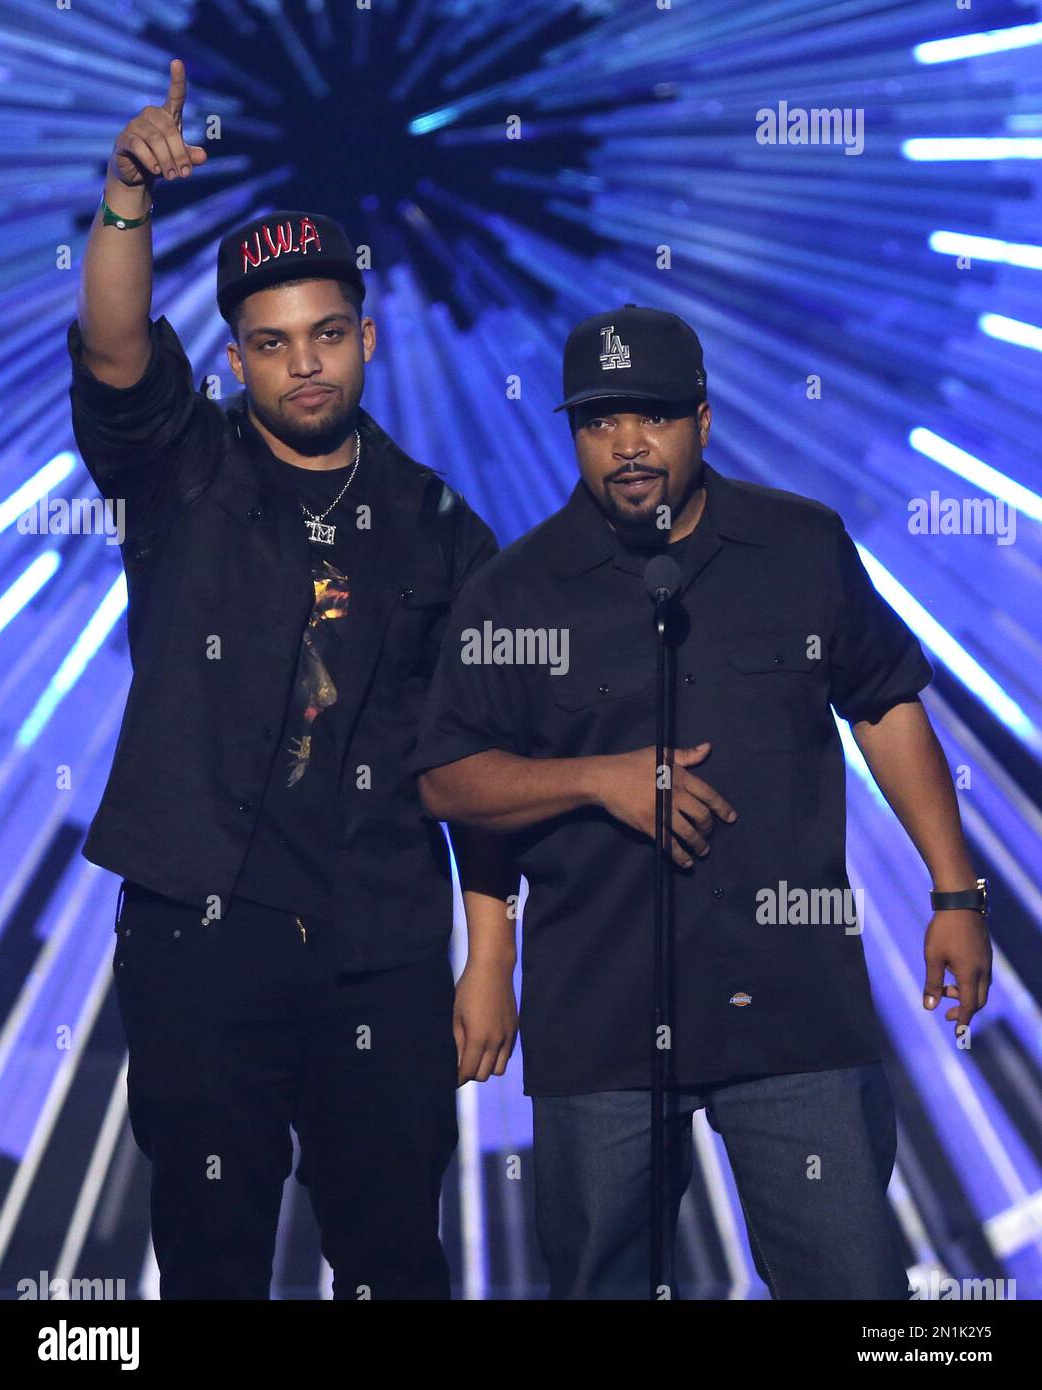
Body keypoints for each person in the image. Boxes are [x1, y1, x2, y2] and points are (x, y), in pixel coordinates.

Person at [413, 303, 993, 1300]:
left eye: (653, 417)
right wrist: (590, 788)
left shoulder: (800, 546)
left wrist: (955, 893)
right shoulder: (517, 593)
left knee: (858, 1294)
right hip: (599, 1016)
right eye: (600, 421)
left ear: (703, 421)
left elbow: (886, 704)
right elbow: (449, 778)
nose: (627, 445)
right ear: (573, 434)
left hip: (793, 1006)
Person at [67, 58, 518, 1300]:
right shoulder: (180, 468)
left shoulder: (439, 526)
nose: (304, 365)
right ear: (234, 359)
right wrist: (123, 191)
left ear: (364, 338)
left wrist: (490, 955)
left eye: (326, 335)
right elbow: (112, 353)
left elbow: (469, 761)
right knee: (211, 1263)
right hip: (200, 931)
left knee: (392, 1258)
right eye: (271, 345)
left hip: (379, 938)